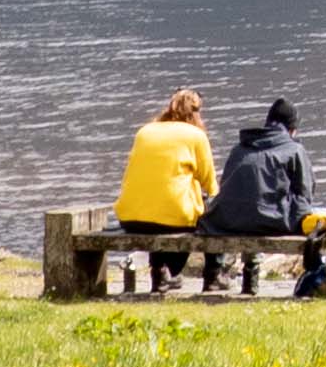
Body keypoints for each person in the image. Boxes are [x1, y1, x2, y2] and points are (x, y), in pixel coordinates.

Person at [114, 86, 220, 292]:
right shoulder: (195, 135)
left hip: (130, 218)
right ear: (195, 113)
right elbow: (211, 185)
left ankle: (160, 272)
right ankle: (213, 276)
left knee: (160, 207)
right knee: (210, 214)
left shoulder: (145, 131)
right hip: (173, 221)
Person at [212, 96, 315, 292]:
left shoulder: (240, 148)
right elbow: (305, 193)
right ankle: (252, 273)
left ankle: (214, 274)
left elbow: (225, 185)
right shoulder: (294, 149)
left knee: (251, 206)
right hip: (269, 220)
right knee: (262, 213)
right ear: (292, 129)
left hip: (228, 220)